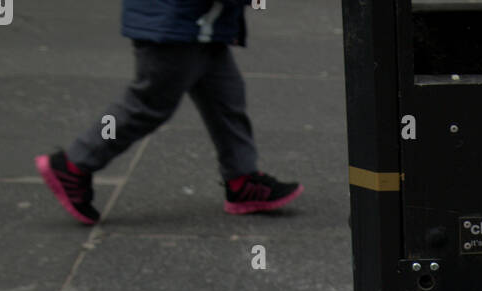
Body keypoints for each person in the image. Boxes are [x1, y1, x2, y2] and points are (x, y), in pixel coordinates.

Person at [35, 0, 301, 224]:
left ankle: (242, 179)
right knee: (146, 106)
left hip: (197, 23)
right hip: (174, 26)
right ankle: (75, 162)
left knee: (226, 98)